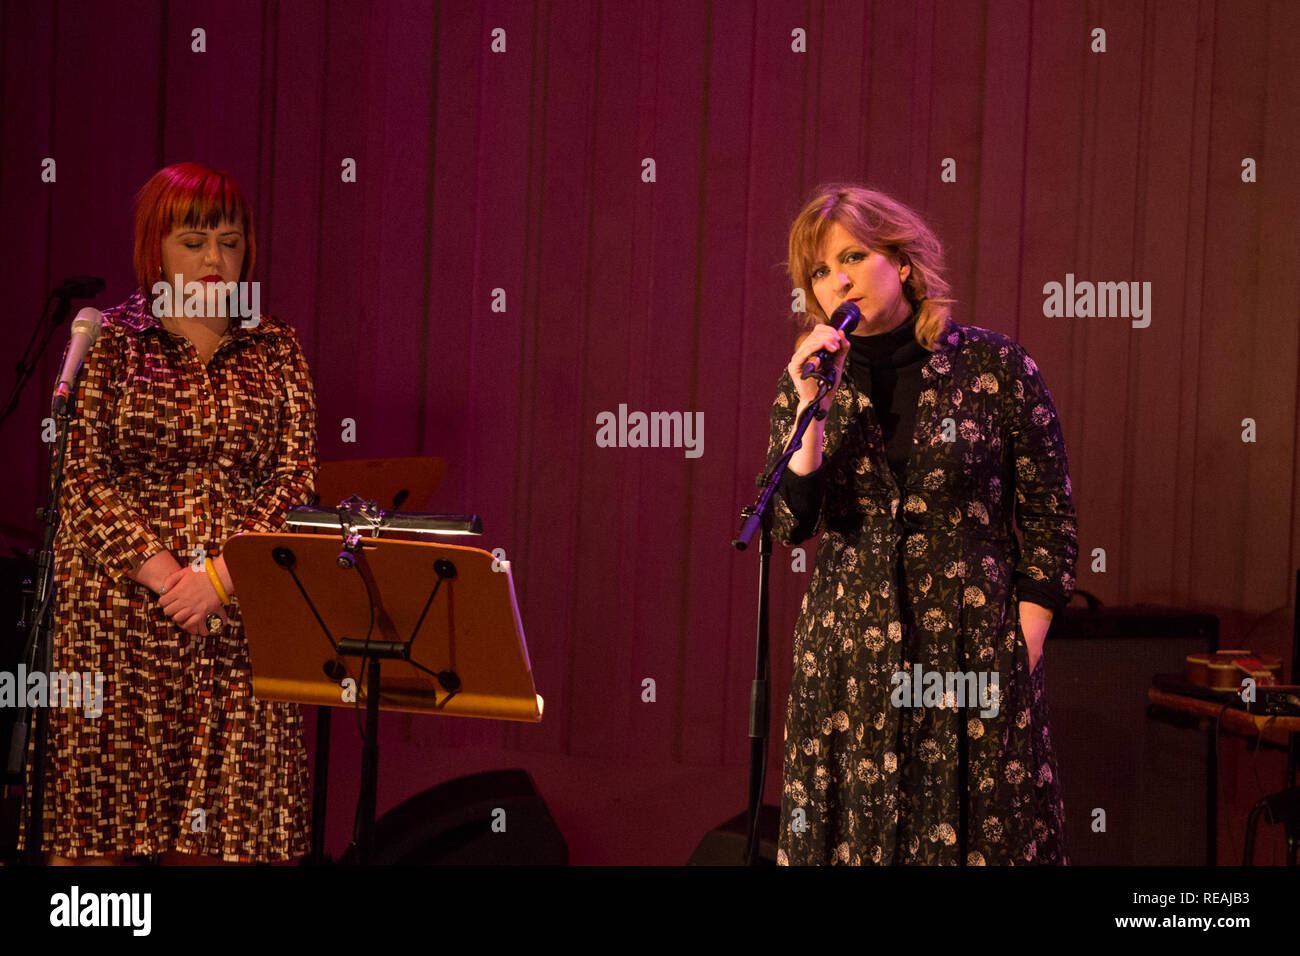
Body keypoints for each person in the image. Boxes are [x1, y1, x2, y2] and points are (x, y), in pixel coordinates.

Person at [763, 184, 1077, 865]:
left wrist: (1019, 645)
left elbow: (1051, 519)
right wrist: (810, 409)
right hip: (851, 659)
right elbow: (787, 522)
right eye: (818, 271)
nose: (836, 280)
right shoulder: (811, 382)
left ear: (902, 264)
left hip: (969, 653)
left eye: (852, 256)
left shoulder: (995, 367)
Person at [20, 161, 317, 864]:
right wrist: (168, 579)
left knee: (225, 839)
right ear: (155, 249)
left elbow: (294, 480)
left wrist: (220, 577)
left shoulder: (276, 350)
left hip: (237, 617)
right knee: (106, 845)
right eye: (194, 241)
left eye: (230, 240)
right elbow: (84, 481)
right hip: (120, 619)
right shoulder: (112, 344)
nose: (216, 258)